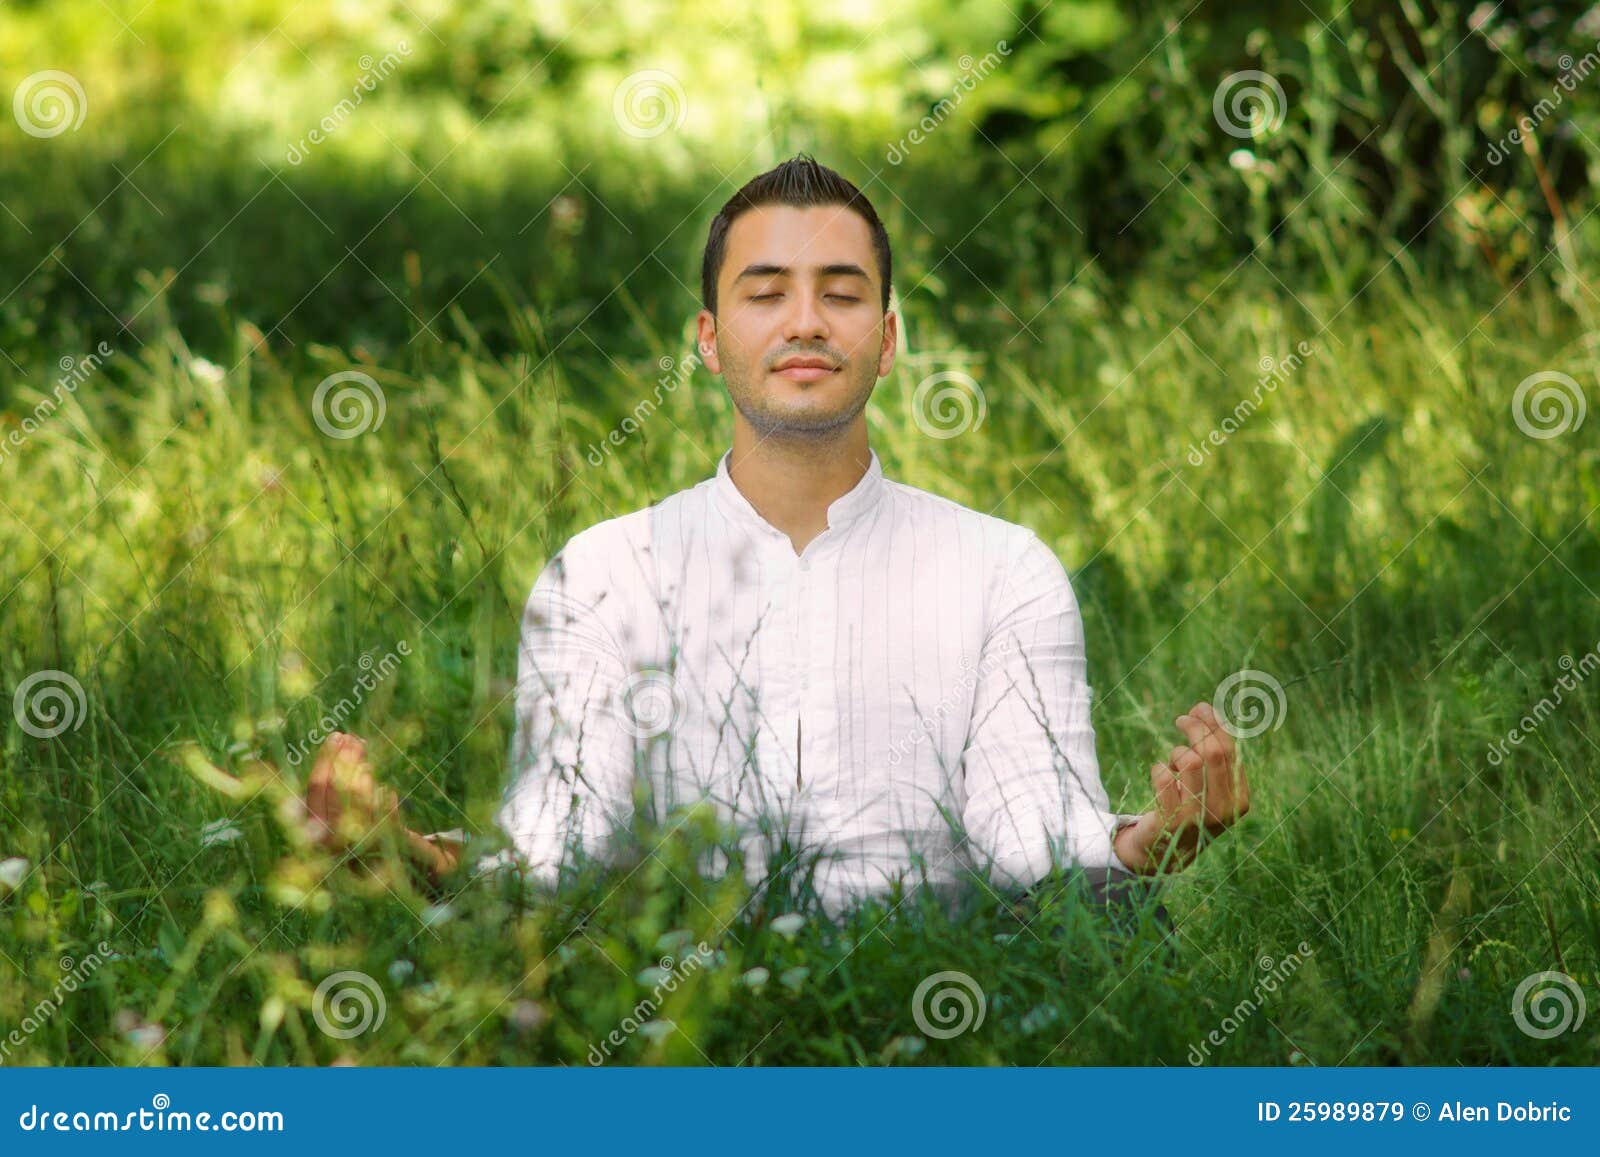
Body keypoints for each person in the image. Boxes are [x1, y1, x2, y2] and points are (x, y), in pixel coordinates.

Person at [305, 155, 1249, 925]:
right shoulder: (602, 573)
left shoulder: (1003, 570)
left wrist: (1147, 842)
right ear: (710, 340)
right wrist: (409, 854)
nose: (805, 323)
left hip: (937, 1018)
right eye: (768, 294)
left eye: (840, 294)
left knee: (1128, 928)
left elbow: (1030, 837)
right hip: (680, 1028)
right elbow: (559, 843)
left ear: (888, 338)